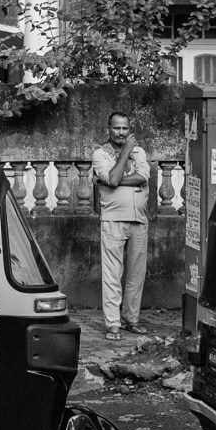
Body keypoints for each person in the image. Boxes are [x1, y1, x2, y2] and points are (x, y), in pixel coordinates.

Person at [90, 110, 152, 339]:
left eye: (125, 128)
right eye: (117, 128)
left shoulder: (140, 152)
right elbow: (114, 178)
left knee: (137, 274)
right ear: (109, 129)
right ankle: (113, 324)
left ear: (129, 128)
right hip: (113, 220)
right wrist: (125, 155)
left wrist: (109, 182)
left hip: (139, 219)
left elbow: (142, 177)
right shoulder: (100, 154)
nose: (121, 132)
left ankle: (130, 320)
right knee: (112, 274)